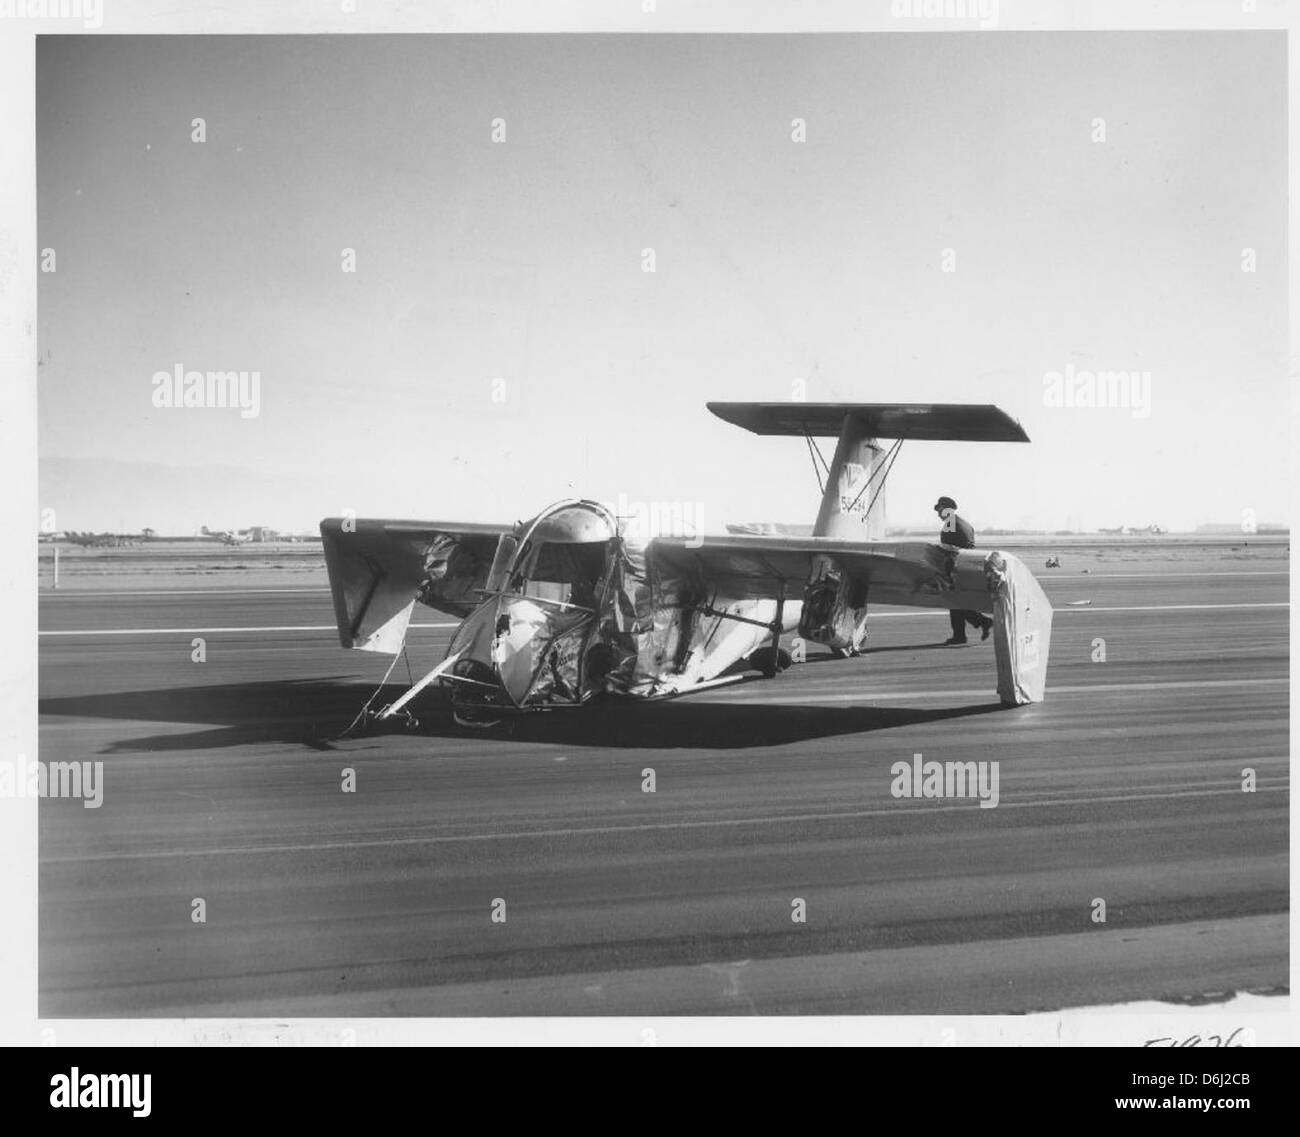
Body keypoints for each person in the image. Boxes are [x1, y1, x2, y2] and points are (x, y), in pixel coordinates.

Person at [934, 496, 993, 645]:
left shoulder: (950, 523)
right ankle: (962, 633)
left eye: (940, 509)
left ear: (947, 509)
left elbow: (947, 549)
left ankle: (979, 623)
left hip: (956, 566)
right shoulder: (964, 523)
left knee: (954, 601)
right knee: (957, 601)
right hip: (968, 565)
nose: (938, 513)